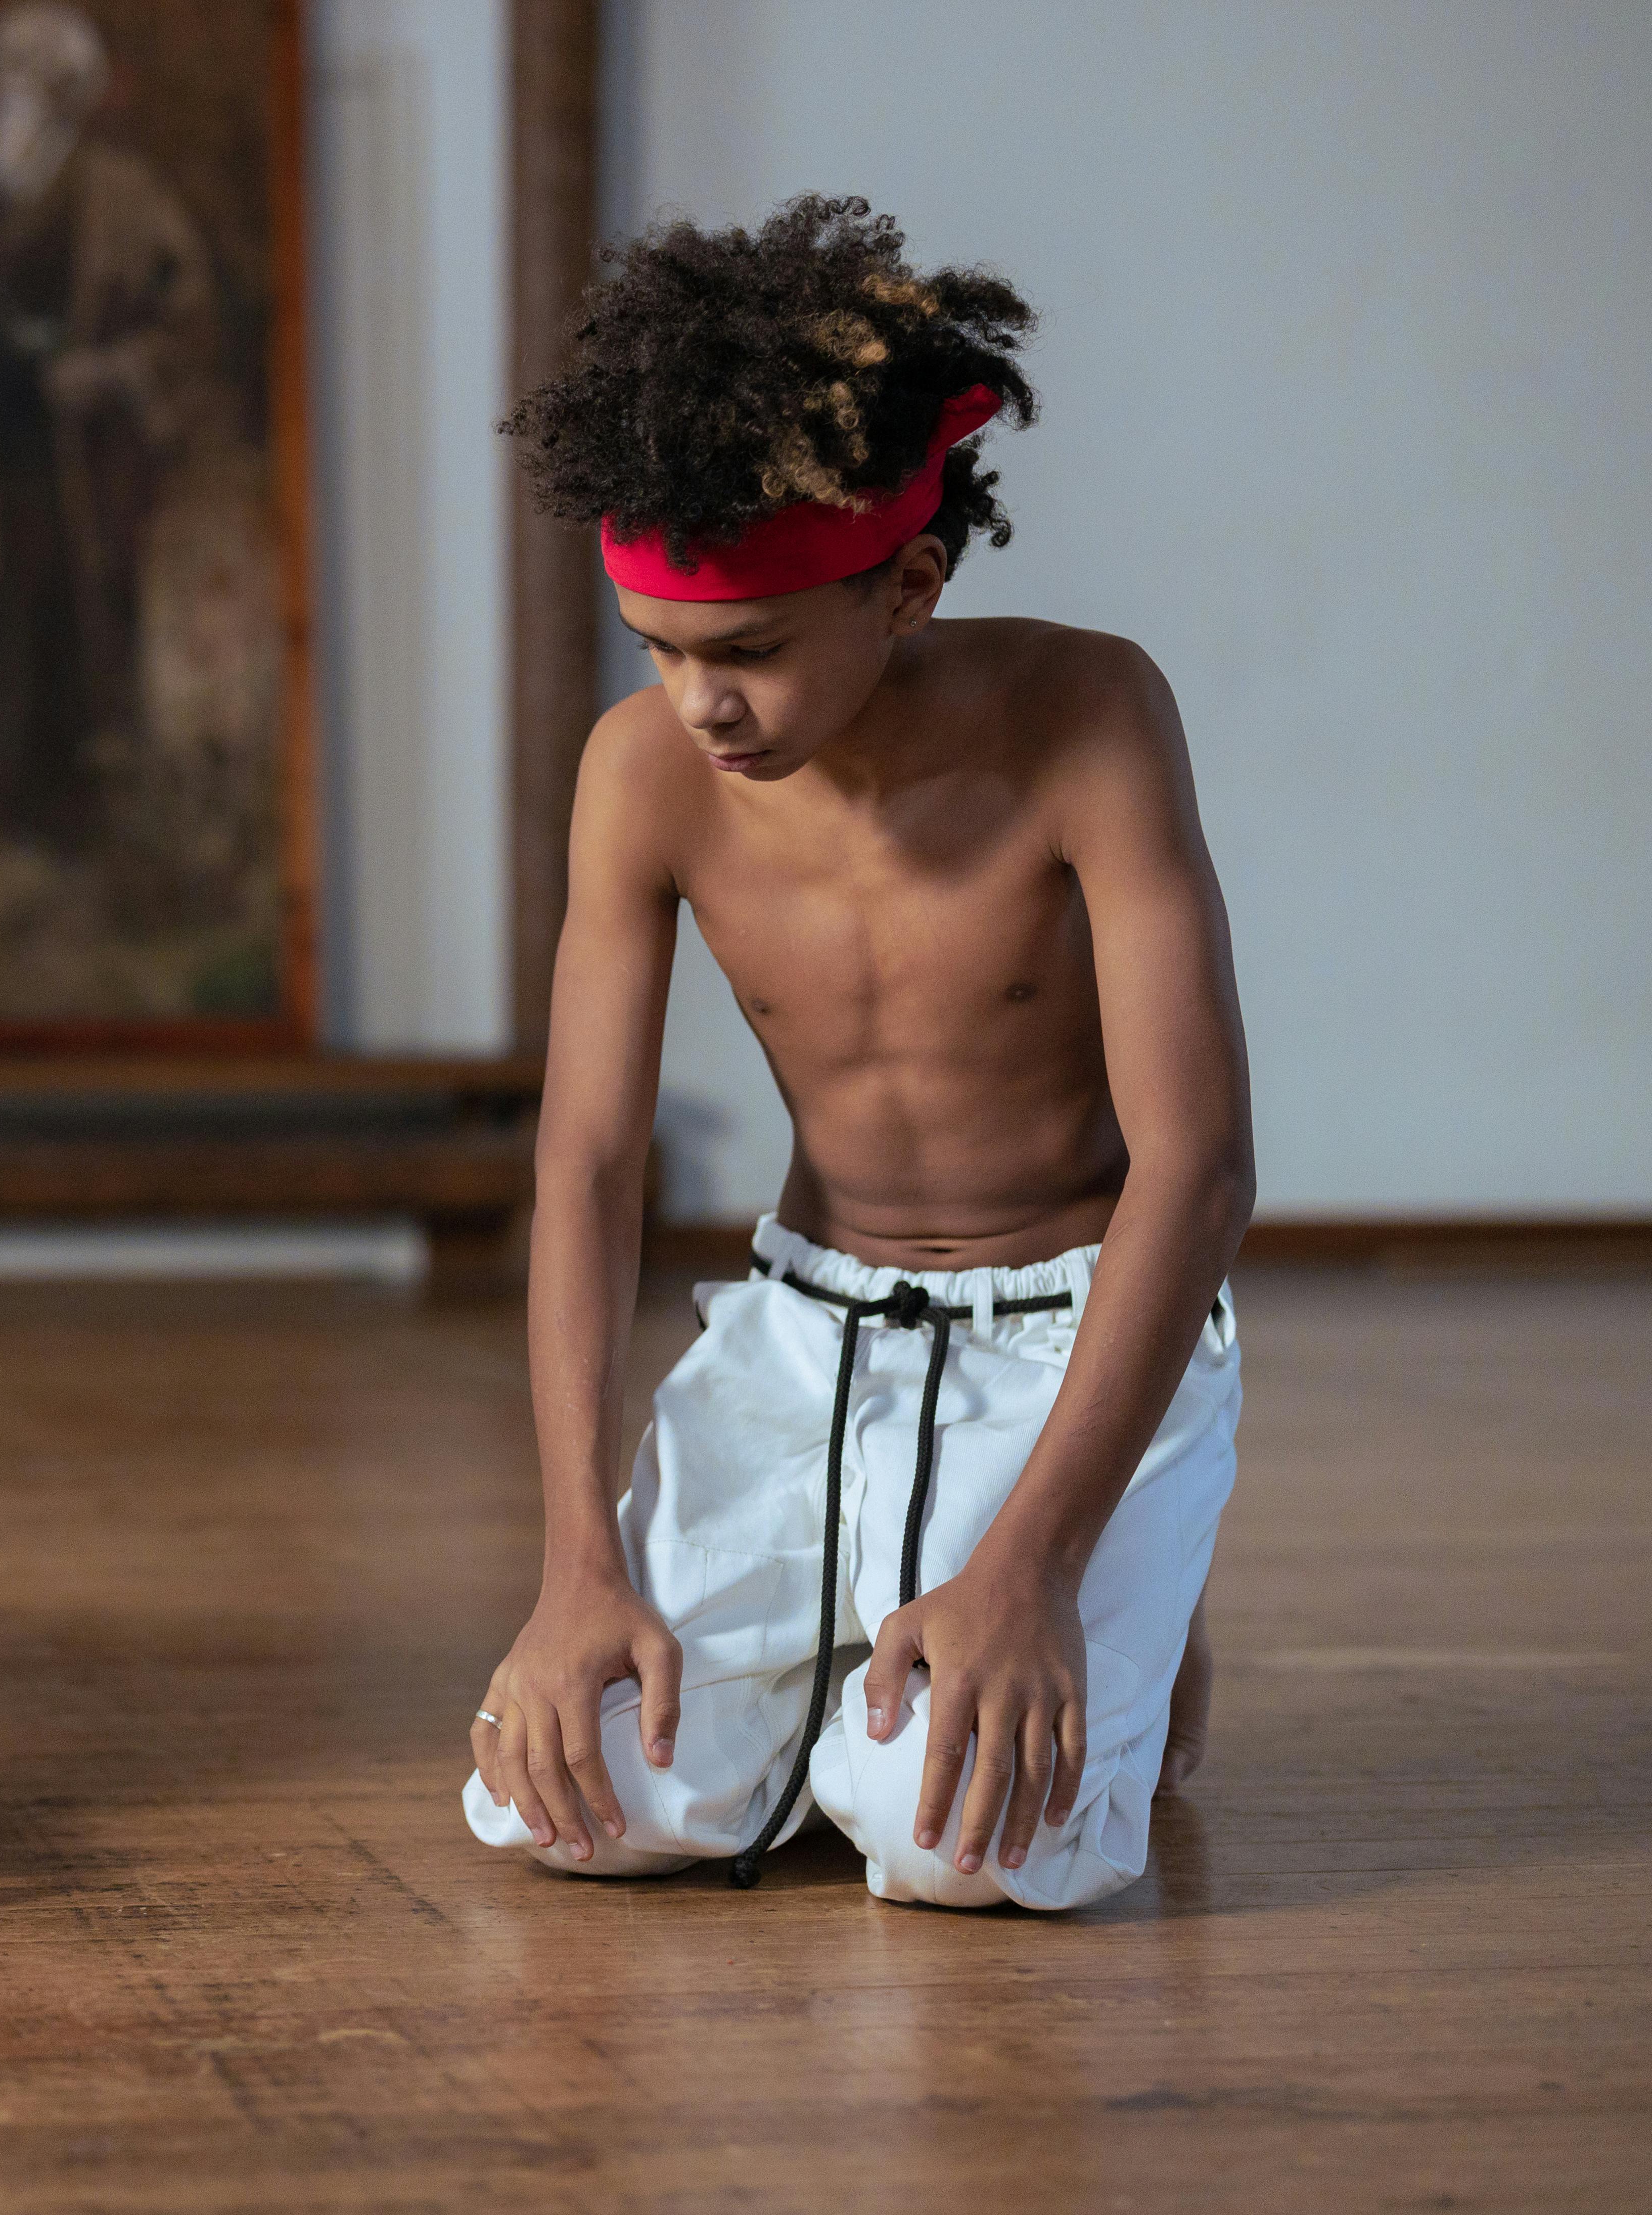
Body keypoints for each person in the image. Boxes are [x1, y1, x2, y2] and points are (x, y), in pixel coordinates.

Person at [463, 197, 1251, 1910]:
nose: (698, 702)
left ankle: (1109, 1550)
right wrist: (576, 1561)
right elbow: (583, 1166)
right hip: (800, 1331)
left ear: (907, 584)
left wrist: (1037, 1565)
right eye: (658, 648)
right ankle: (867, 1645)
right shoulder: (639, 774)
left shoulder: (1089, 715)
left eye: (746, 652)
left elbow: (1198, 1167)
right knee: (580, 1801)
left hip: (1066, 1335)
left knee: (956, 1847)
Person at [0, 1, 217, 849]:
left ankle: (77, 825)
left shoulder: (128, 198)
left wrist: (109, 375)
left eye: (45, 83)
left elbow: (190, 329)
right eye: (11, 77)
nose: (22, 98)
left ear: (75, 99)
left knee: (76, 626)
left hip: (83, 472)